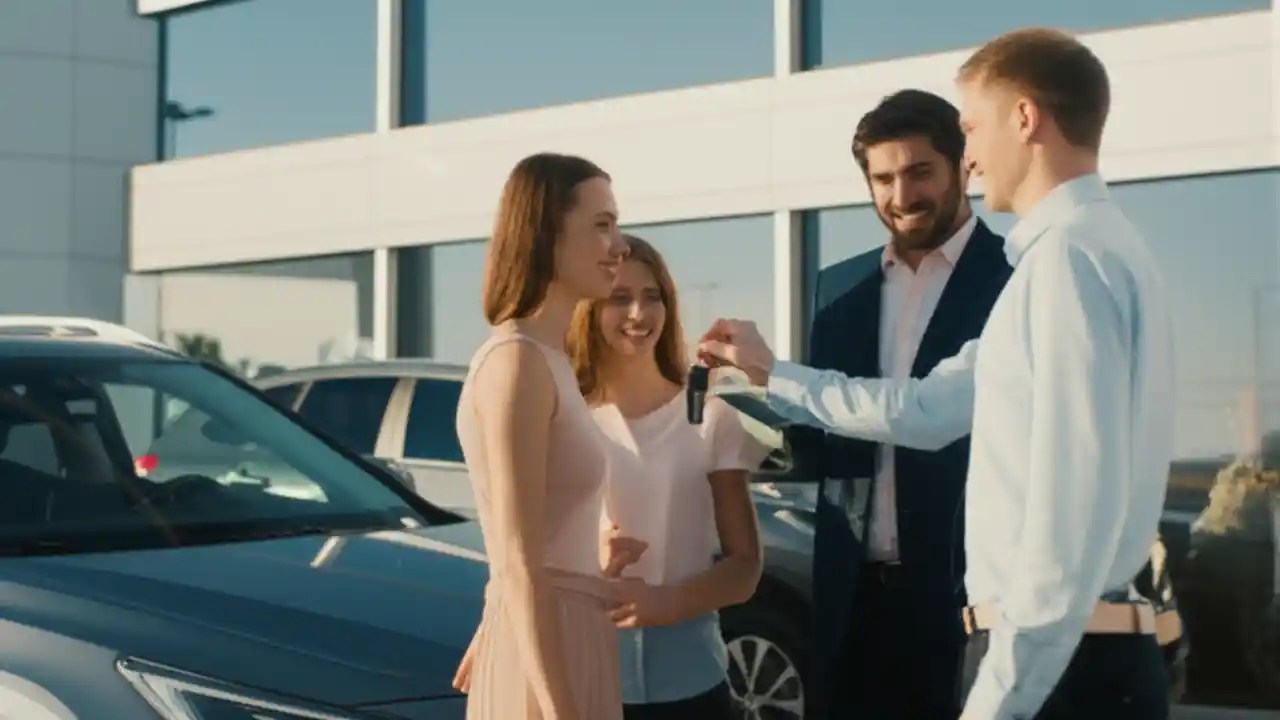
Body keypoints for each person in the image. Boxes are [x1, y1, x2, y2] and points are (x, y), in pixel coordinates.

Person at [698, 27, 1175, 719]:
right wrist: (769, 378)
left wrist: (999, 700)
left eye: (973, 128)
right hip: (1059, 656)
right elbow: (924, 412)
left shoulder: (1067, 262)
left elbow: (1071, 513)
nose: (974, 157)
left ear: (1024, 118)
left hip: (1053, 664)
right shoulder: (1082, 255)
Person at [793, 89, 1012, 719]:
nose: (901, 195)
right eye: (882, 177)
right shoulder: (838, 289)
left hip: (967, 601)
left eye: (920, 171)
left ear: (962, 165)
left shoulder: (1014, 277)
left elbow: (933, 419)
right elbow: (826, 433)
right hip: (852, 602)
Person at [454, 151, 630, 720]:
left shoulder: (550, 361)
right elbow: (516, 562)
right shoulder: (517, 364)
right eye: (601, 226)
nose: (620, 246)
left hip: (572, 632)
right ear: (547, 236)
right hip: (549, 655)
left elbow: (529, 547)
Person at [568, 235, 769, 720]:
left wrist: (666, 603)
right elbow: (522, 554)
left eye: (652, 295)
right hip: (585, 685)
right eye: (620, 297)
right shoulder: (564, 418)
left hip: (694, 689)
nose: (639, 313)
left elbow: (745, 567)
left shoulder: (711, 414)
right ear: (589, 308)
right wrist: (587, 560)